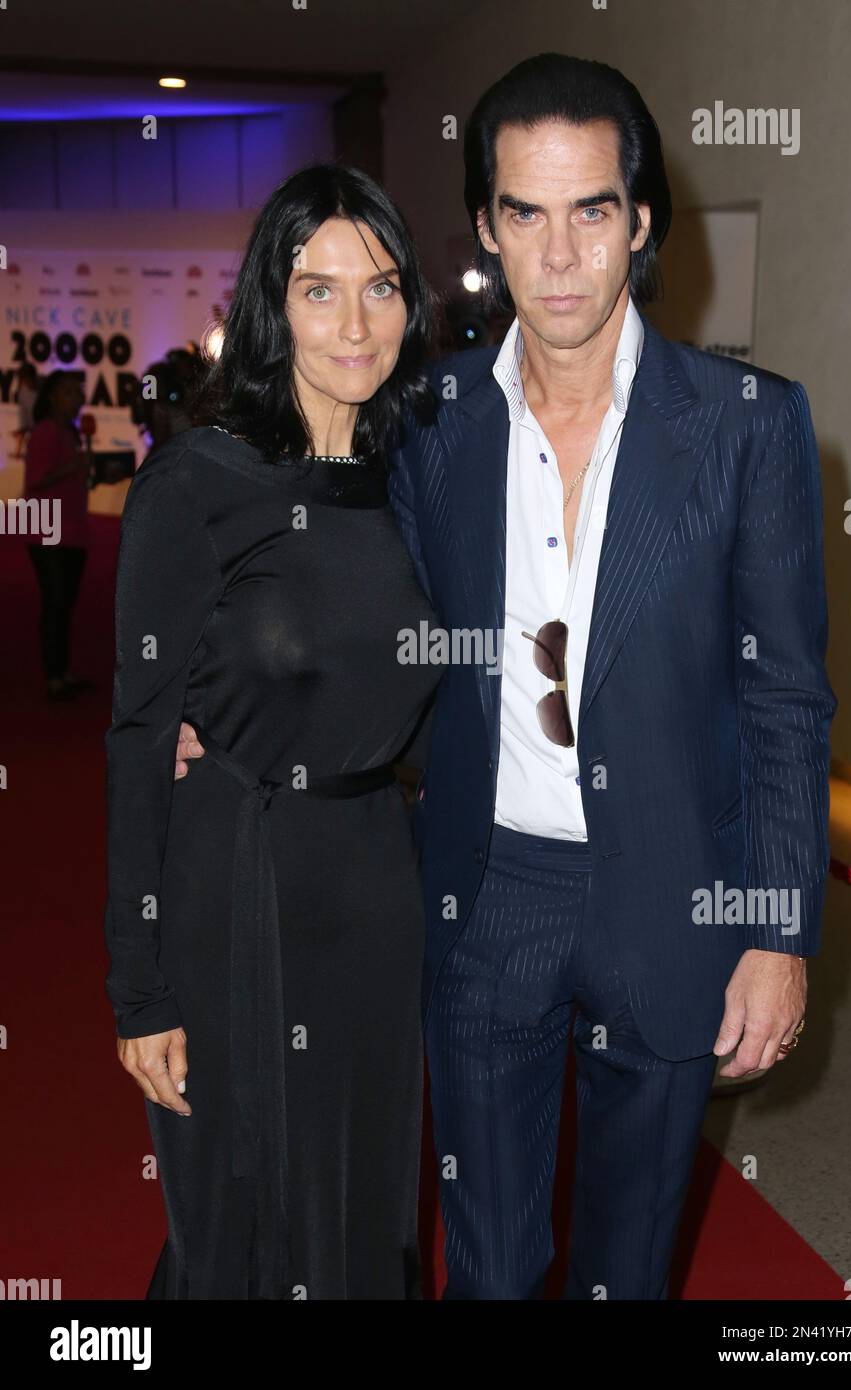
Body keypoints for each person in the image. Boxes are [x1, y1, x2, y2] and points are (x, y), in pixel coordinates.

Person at [178, 54, 836, 1301]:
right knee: (486, 1269)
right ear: (486, 229)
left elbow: (788, 700)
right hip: (488, 896)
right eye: (525, 215)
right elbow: (351, 601)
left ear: (641, 222)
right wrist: (232, 715)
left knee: (629, 1266)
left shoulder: (752, 426)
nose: (562, 254)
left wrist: (778, 929)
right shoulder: (428, 422)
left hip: (672, 893)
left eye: (593, 210)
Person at [104, 163, 440, 1299]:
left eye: (381, 287)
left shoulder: (413, 479)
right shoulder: (196, 484)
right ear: (269, 305)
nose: (356, 323)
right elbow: (139, 741)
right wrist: (137, 988)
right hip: (237, 889)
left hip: (377, 891)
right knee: (242, 1218)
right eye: (319, 289)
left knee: (364, 1203)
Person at [24, 370, 93, 701]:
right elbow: (36, 480)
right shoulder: (46, 432)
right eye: (69, 392)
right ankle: (53, 673)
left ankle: (61, 671)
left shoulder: (70, 432)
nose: (77, 398)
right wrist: (74, 466)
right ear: (52, 397)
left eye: (77, 392)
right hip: (47, 532)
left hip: (71, 530)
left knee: (64, 604)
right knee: (55, 602)